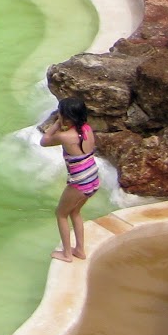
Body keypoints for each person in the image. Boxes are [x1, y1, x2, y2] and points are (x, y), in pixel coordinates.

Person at [40, 97, 99, 262]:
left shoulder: (65, 136)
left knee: (61, 214)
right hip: (93, 177)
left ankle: (67, 254)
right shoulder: (87, 129)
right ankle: (79, 250)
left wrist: (57, 123)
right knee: (75, 212)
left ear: (66, 116)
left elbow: (44, 141)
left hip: (80, 181)